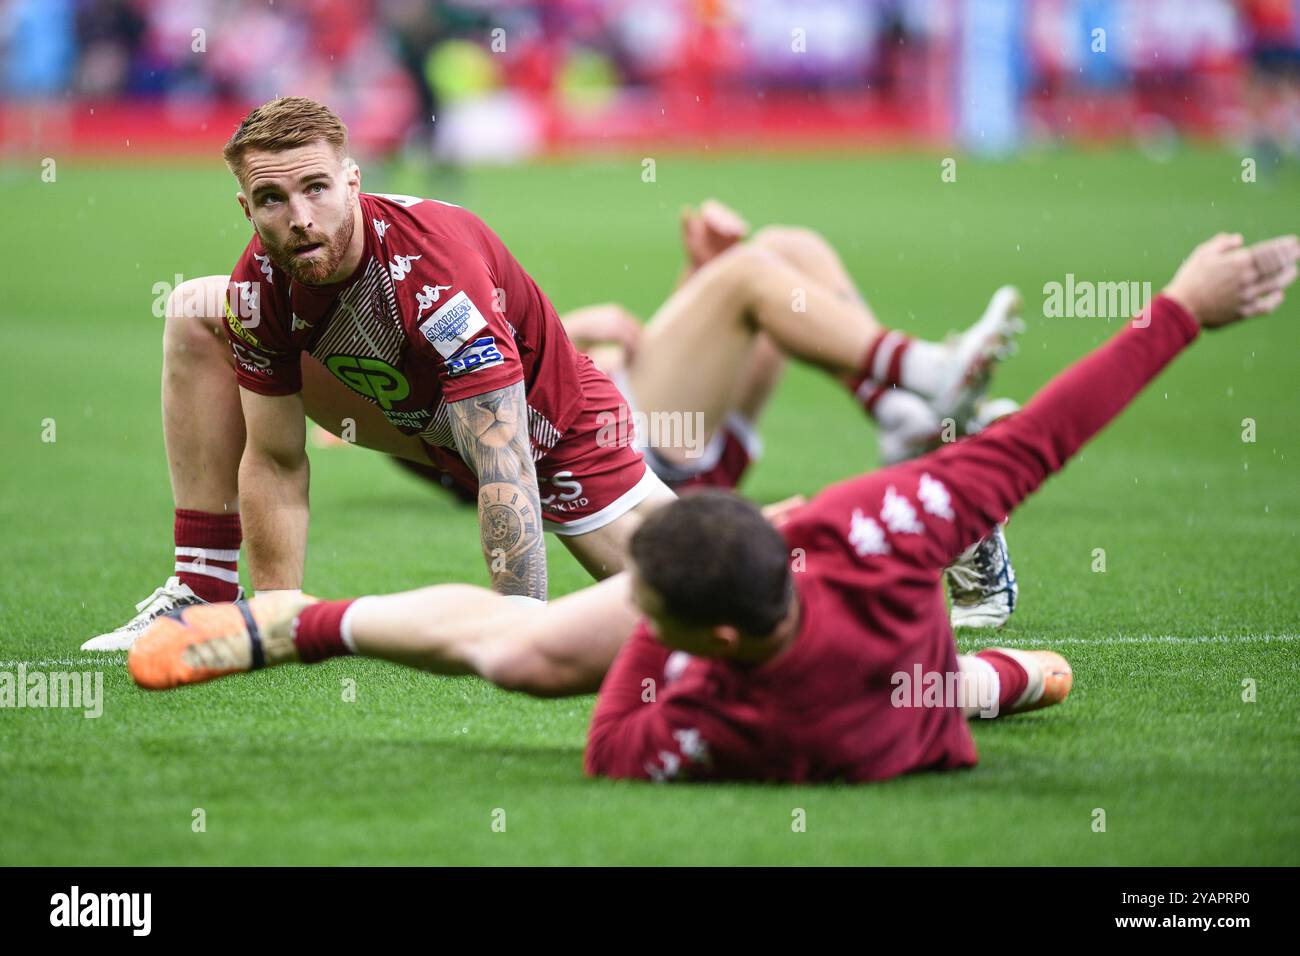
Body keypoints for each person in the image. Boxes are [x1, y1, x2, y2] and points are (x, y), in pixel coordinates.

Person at [127, 233, 1300, 783]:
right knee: (765, 262)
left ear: (700, 641)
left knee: (531, 651)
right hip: (696, 505)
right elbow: (1048, 434)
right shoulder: (884, 538)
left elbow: (608, 719)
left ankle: (283, 619)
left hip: (586, 459)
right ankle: (910, 386)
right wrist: (1183, 310)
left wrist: (1181, 310)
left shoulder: (741, 697)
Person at [83, 101, 1022, 651]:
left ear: (356, 179)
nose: (296, 217)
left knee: (714, 619)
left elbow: (507, 464)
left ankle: (935, 514)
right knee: (201, 309)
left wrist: (519, 625)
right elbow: (280, 463)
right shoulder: (264, 282)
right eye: (269, 200)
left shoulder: (433, 270)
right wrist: (272, 627)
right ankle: (204, 593)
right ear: (244, 205)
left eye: (316, 188)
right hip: (445, 429)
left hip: (559, 445)